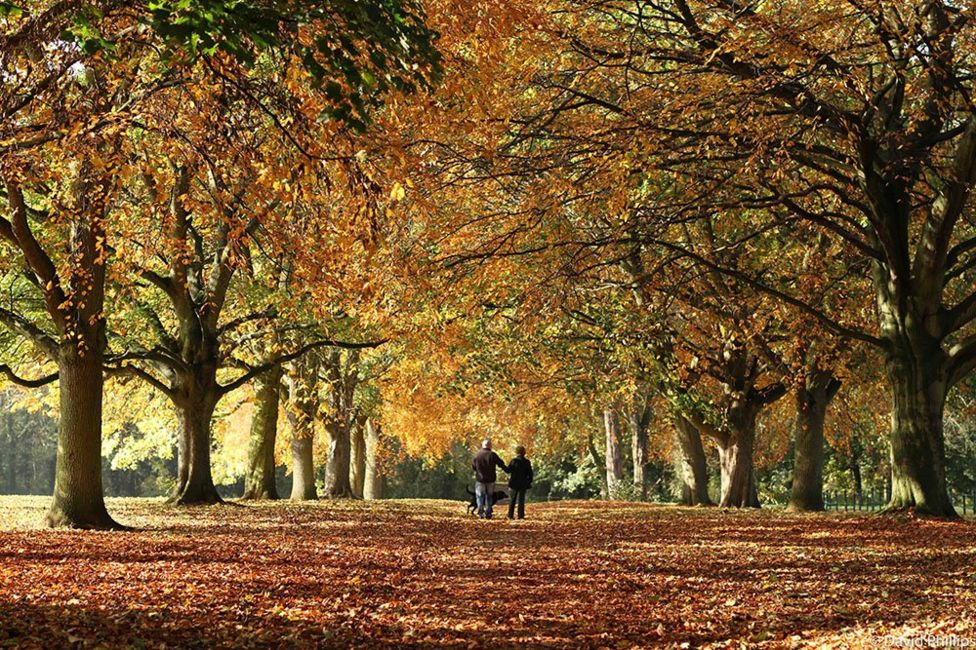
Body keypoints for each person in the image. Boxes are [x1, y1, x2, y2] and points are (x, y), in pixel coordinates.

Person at [472, 439, 509, 519]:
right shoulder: (492, 455)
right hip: (491, 480)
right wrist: (507, 470)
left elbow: (474, 467)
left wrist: (478, 471)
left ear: (483, 446)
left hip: (480, 480)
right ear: (490, 446)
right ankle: (488, 513)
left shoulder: (477, 455)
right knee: (489, 496)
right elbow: (500, 464)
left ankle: (481, 513)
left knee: (480, 496)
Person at [507, 445, 533, 519]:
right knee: (521, 500)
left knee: (512, 500)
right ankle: (520, 516)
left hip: (513, 483)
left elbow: (508, 470)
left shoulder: (514, 461)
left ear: (516, 452)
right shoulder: (527, 462)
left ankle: (510, 515)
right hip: (523, 483)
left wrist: (504, 467)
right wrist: (529, 481)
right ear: (524, 452)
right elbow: (530, 473)